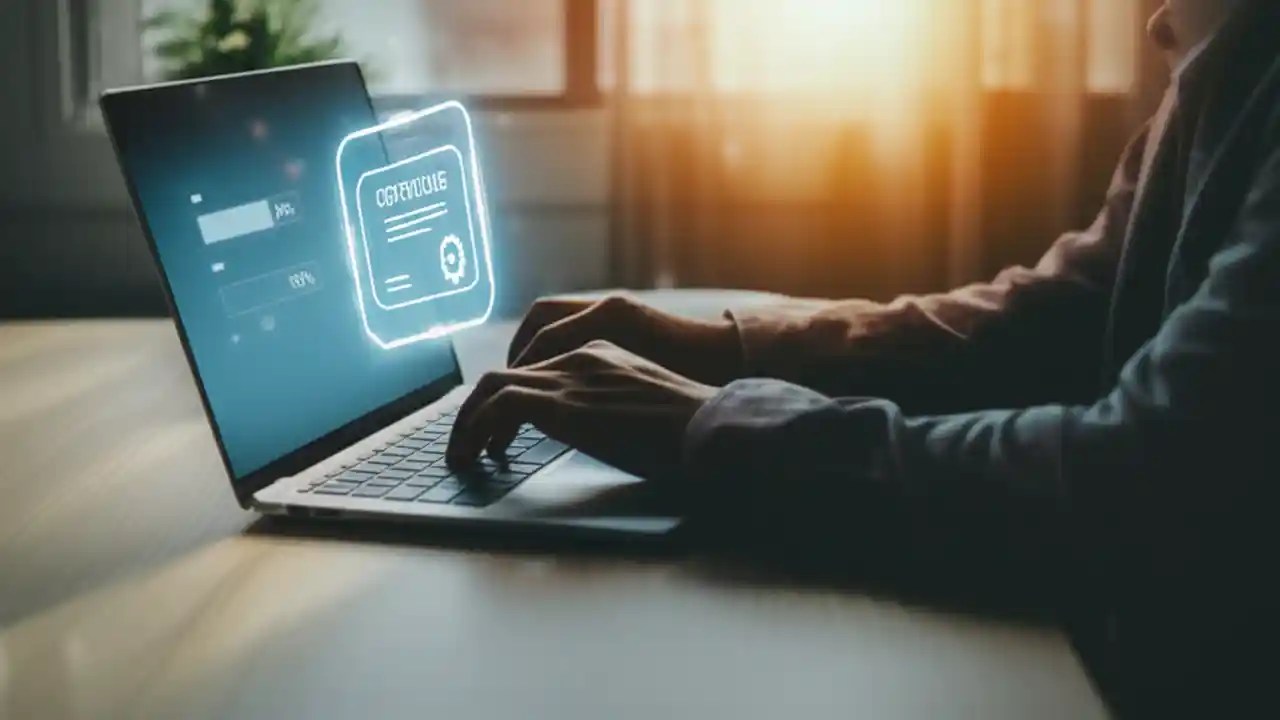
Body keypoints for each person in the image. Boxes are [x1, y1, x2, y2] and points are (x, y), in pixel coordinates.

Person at [449, 0, 1278, 713]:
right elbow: (1060, 318)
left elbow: (1142, 485)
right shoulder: (1218, 38)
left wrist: (715, 425)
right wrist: (729, 349)